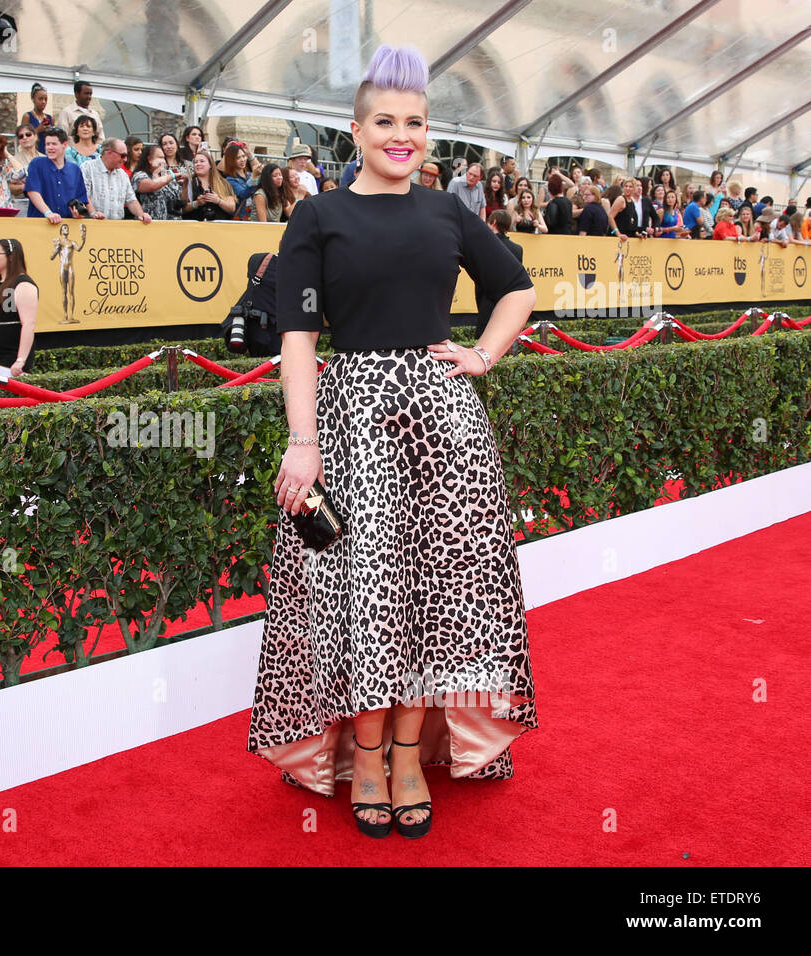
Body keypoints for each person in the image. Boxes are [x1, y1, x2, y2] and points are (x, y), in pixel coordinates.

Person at [250, 44, 537, 841]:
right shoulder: (317, 216)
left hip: (445, 427)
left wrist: (482, 356)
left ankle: (412, 756)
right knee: (367, 598)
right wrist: (301, 444)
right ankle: (366, 759)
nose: (401, 135)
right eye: (386, 121)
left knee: (439, 598)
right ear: (356, 129)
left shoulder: (446, 211)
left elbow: (516, 288)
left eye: (414, 122)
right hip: (352, 431)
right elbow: (299, 337)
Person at [0, 238, 37, 377]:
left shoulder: (23, 284)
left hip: (11, 356)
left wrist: (20, 360)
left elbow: (28, 324)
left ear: (11, 257)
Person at [23, 128, 97, 223]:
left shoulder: (75, 170)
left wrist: (80, 214)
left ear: (64, 145)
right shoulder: (37, 163)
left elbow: (82, 199)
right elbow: (32, 191)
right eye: (47, 144)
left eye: (54, 144)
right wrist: (48, 213)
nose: (50, 147)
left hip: (67, 227)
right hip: (40, 224)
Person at [477, 210, 524, 338]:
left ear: (494, 223)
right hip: (510, 302)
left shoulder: (484, 246)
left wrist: (481, 304)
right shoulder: (517, 249)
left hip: (488, 302)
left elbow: (479, 279)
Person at [82, 138, 151, 222]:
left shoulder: (122, 174)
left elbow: (131, 200)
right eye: (122, 155)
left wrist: (141, 215)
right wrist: (93, 214)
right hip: (93, 225)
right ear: (109, 152)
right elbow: (84, 196)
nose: (125, 159)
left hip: (117, 227)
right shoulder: (88, 168)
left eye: (126, 156)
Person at [180, 150, 237, 220]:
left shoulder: (223, 183)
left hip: (218, 227)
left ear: (210, 164)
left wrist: (218, 201)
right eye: (196, 162)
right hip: (195, 227)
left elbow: (232, 208)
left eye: (202, 161)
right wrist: (197, 203)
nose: (198, 164)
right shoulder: (189, 183)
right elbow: (182, 209)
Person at [131, 144, 183, 221]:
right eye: (160, 157)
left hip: (165, 224)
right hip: (146, 223)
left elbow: (179, 200)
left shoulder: (164, 177)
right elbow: (152, 186)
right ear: (149, 159)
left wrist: (185, 184)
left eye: (164, 158)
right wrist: (172, 175)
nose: (163, 161)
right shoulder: (139, 175)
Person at [219, 141, 260, 219]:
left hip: (254, 216)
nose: (242, 160)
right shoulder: (230, 180)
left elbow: (262, 172)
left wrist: (249, 153)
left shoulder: (249, 175)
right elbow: (243, 194)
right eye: (238, 158)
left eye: (243, 156)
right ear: (231, 160)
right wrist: (254, 177)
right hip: (240, 218)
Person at [23, 83, 54, 154]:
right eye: (40, 99)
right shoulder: (27, 116)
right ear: (33, 99)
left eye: (45, 99)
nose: (43, 102)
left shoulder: (50, 118)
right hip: (32, 153)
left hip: (48, 153)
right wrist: (37, 130)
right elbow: (22, 137)